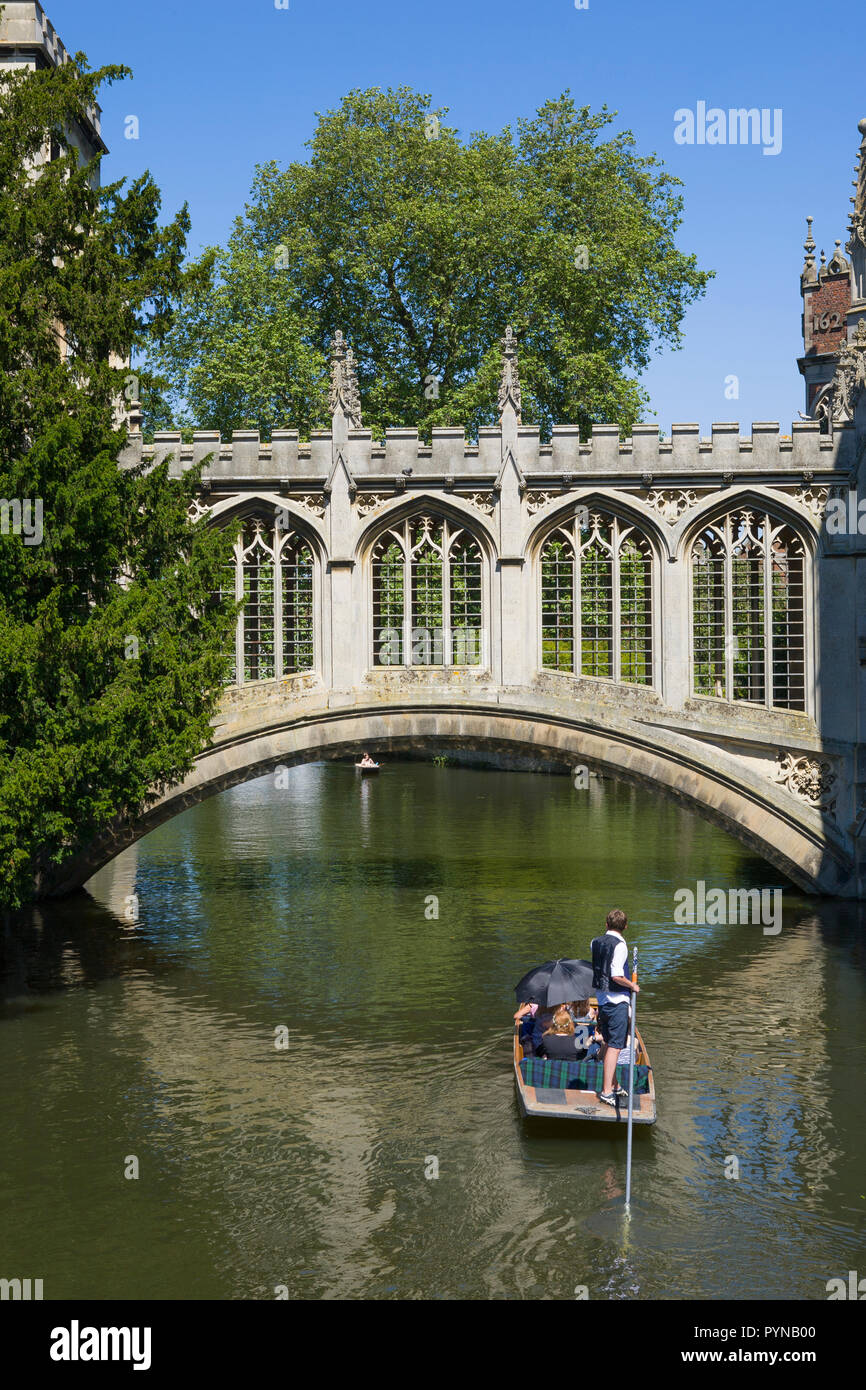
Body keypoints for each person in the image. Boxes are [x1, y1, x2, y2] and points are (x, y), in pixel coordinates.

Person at [590, 908, 639, 1107]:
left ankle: (615, 1084)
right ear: (625, 926)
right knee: (615, 1047)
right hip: (618, 1001)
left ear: (606, 924)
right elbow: (616, 975)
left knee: (609, 1042)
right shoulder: (620, 946)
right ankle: (606, 1092)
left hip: (602, 1001)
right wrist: (633, 985)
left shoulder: (594, 942)